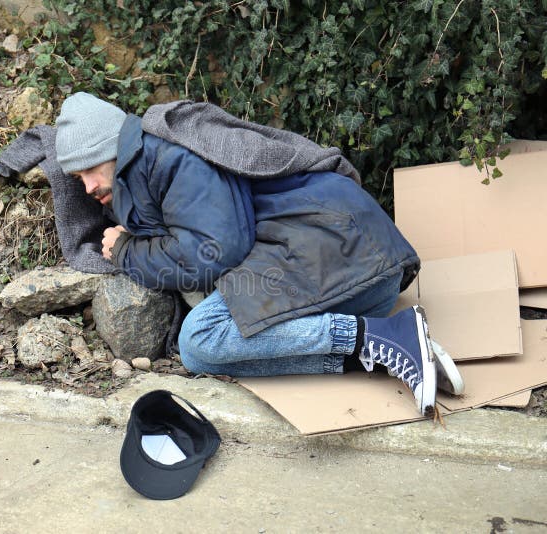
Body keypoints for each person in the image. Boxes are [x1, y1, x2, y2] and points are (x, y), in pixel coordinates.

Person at [54, 92, 462, 417]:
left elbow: (213, 254)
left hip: (333, 248)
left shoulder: (172, 159)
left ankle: (387, 337)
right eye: (77, 177)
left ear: (114, 148)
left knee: (200, 339)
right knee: (202, 356)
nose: (87, 187)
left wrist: (126, 251)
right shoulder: (142, 170)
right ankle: (377, 352)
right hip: (358, 279)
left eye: (91, 168)